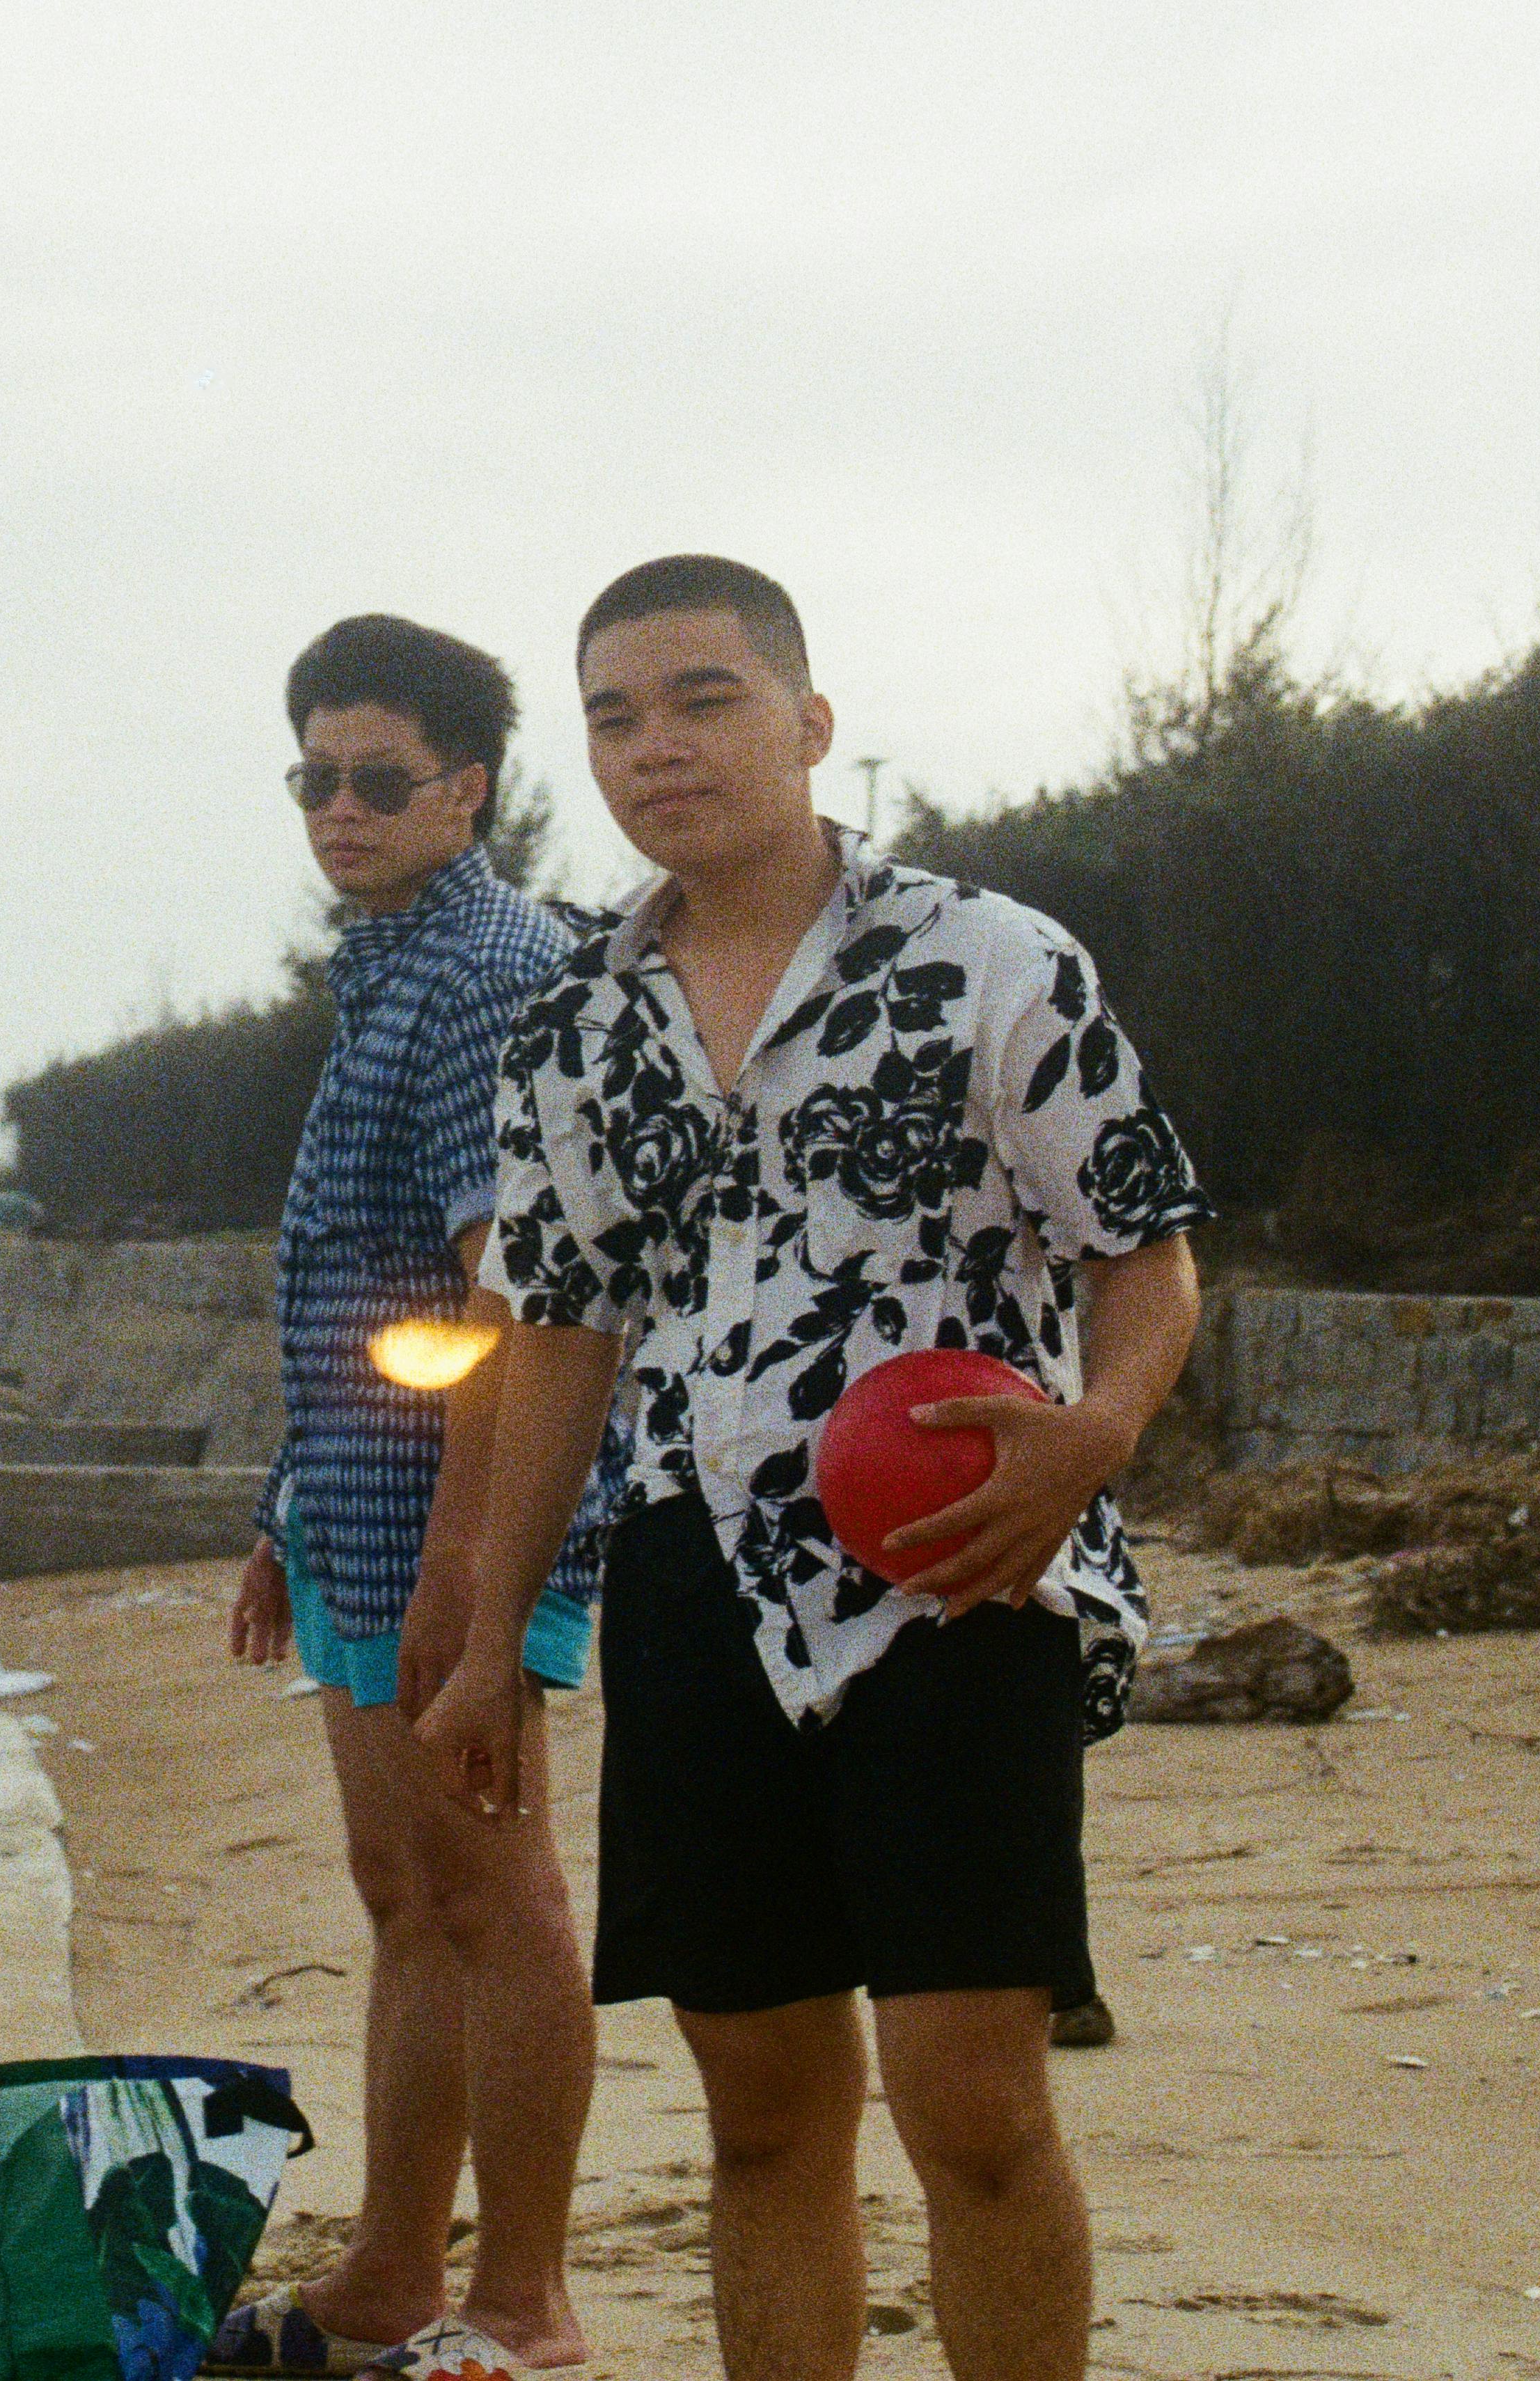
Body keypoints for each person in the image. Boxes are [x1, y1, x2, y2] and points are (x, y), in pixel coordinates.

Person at [416, 556, 1216, 2381]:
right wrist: (490, 1630)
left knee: (972, 2100)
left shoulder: (989, 958)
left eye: (703, 697)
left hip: (956, 1560)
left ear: (808, 720)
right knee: (763, 2109)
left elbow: (1144, 1246)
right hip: (690, 1576)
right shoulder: (572, 1025)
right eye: (614, 715)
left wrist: (1094, 1436)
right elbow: (560, 1330)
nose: (655, 745)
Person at [213, 613, 606, 2380]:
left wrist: (471, 1567)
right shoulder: (391, 961)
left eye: (380, 777)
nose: (340, 809)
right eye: (313, 777)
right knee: (404, 1888)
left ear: (470, 788)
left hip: (461, 1521)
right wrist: (288, 1511)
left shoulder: (485, 972)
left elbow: (504, 1290)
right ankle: (390, 2268)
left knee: (495, 1894)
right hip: (364, 1511)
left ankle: (524, 2301)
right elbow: (355, 1286)